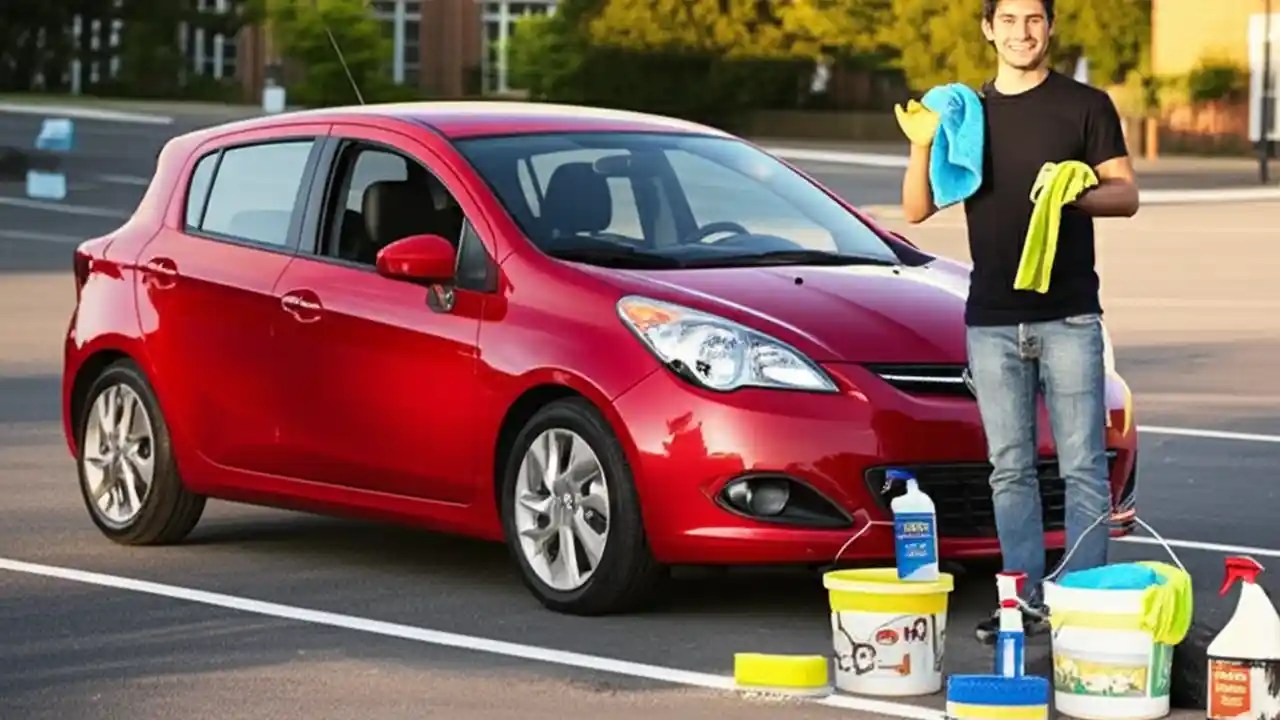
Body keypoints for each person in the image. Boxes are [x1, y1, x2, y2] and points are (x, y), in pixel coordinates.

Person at [898, 0, 1140, 644]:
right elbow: (916, 208)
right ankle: (1023, 600)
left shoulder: (1085, 106)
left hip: (1069, 316)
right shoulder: (967, 113)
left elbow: (1127, 193)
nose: (1021, 32)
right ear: (988, 29)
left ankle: (1084, 603)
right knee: (1009, 468)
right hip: (993, 320)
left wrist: (1070, 187)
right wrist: (923, 146)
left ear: (1050, 27)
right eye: (1008, 20)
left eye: (1033, 20)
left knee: (1083, 465)